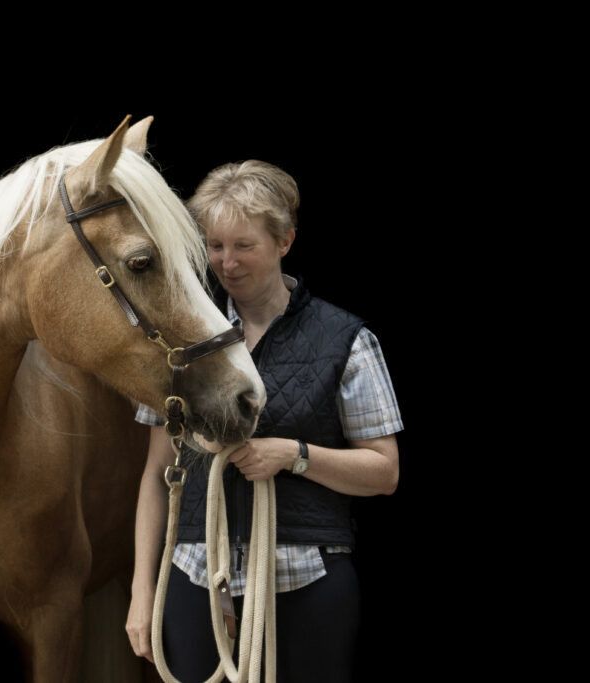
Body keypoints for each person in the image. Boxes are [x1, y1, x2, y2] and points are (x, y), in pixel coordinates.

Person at [125, 160, 403, 683]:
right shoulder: (176, 345)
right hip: (193, 574)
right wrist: (142, 591)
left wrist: (293, 456)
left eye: (243, 245)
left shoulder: (347, 340)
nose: (226, 263)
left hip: (306, 577)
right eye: (214, 246)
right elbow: (157, 476)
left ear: (285, 241)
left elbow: (384, 472)